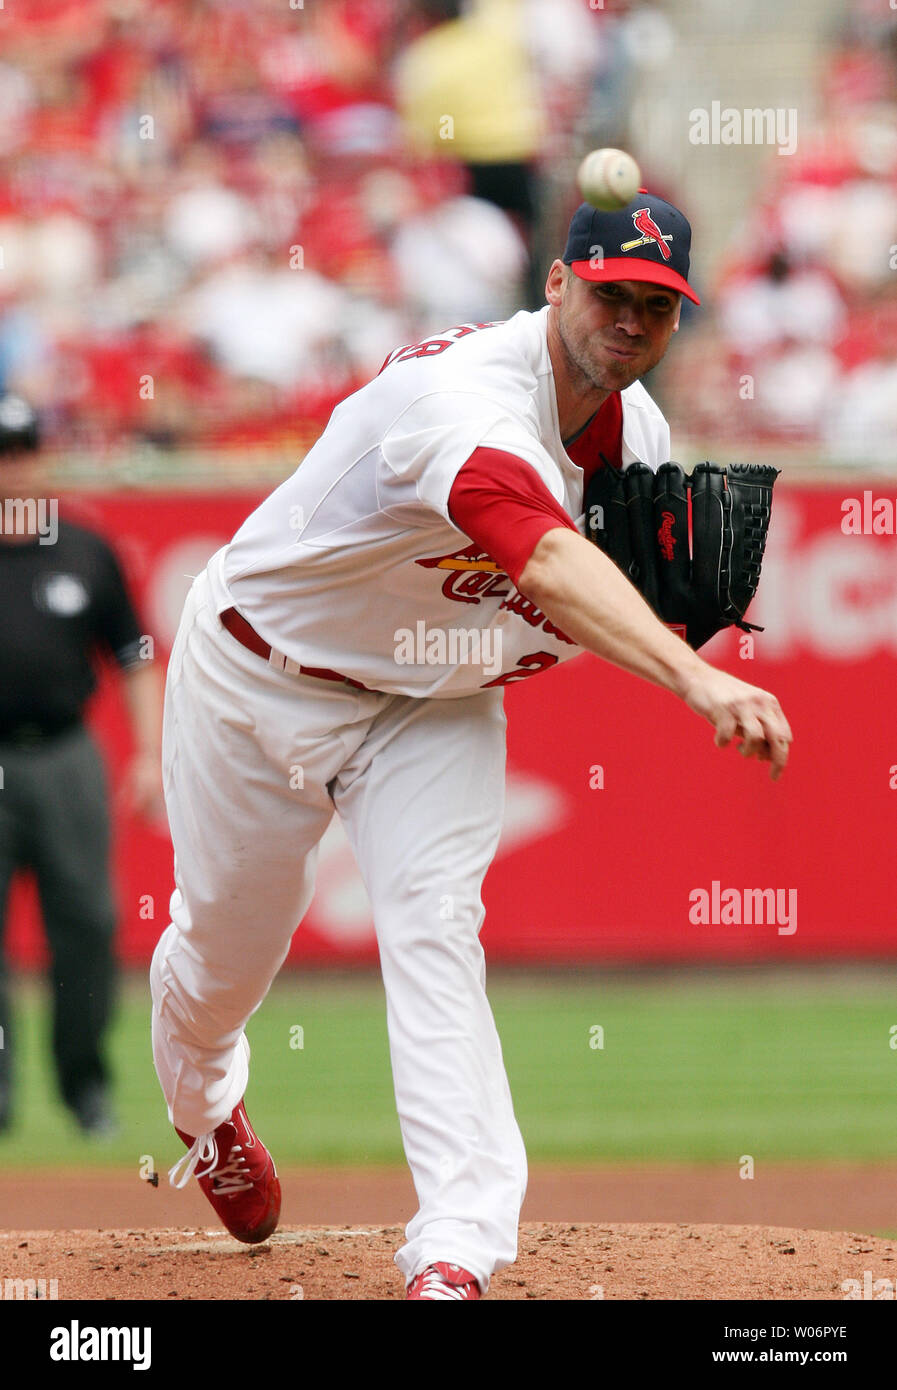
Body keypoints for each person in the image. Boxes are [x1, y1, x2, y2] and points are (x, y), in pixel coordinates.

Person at [153, 192, 793, 1299]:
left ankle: (456, 1245)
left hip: (430, 705)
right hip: (261, 673)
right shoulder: (459, 399)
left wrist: (660, 622)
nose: (630, 321)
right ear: (556, 283)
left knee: (437, 923)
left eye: (657, 305)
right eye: (609, 294)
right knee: (221, 956)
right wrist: (692, 670)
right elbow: (542, 565)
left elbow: (563, 598)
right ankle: (204, 1106)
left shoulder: (638, 436)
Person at [0, 396, 163, 1136]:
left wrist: (151, 755)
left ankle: (84, 1086)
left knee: (88, 925)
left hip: (66, 753)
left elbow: (134, 658)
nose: (12, 465)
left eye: (22, 448)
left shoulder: (83, 548)